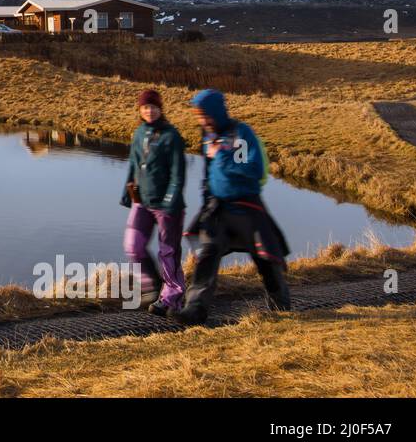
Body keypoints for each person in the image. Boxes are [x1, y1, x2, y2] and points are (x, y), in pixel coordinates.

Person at [173, 89, 291, 325]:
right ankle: (194, 310)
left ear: (215, 112)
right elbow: (209, 174)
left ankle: (281, 308)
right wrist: (207, 201)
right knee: (207, 255)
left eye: (205, 115)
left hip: (247, 210)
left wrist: (222, 157)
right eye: (199, 116)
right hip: (218, 211)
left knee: (265, 261)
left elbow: (251, 170)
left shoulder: (240, 134)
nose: (202, 120)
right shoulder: (208, 136)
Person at [120, 89, 187, 315]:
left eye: (153, 107)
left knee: (168, 252)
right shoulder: (139, 133)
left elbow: (179, 174)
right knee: (133, 245)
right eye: (145, 107)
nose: (149, 111)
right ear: (139, 110)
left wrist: (170, 199)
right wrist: (126, 192)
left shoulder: (171, 135)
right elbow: (133, 164)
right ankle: (154, 287)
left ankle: (172, 298)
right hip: (142, 201)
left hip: (167, 205)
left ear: (161, 109)